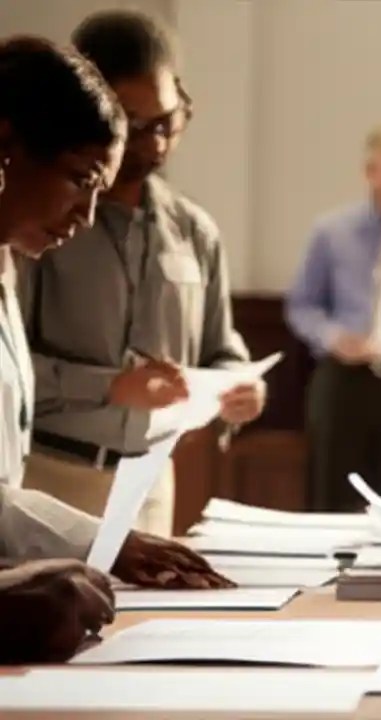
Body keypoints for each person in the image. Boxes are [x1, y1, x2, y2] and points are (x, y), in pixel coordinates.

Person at [0, 36, 231, 667]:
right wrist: (98, 538)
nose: (86, 213)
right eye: (79, 179)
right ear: (5, 146)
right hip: (65, 475)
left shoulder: (9, 263)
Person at [17, 9, 264, 537]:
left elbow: (221, 349)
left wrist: (238, 392)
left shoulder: (195, 230)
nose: (153, 144)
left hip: (151, 484)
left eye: (166, 124)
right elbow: (12, 367)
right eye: (134, 125)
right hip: (51, 477)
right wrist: (112, 387)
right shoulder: (40, 221)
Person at [286, 125, 381, 511]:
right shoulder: (331, 232)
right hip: (343, 380)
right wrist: (334, 337)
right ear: (368, 172)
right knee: (333, 500)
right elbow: (301, 306)